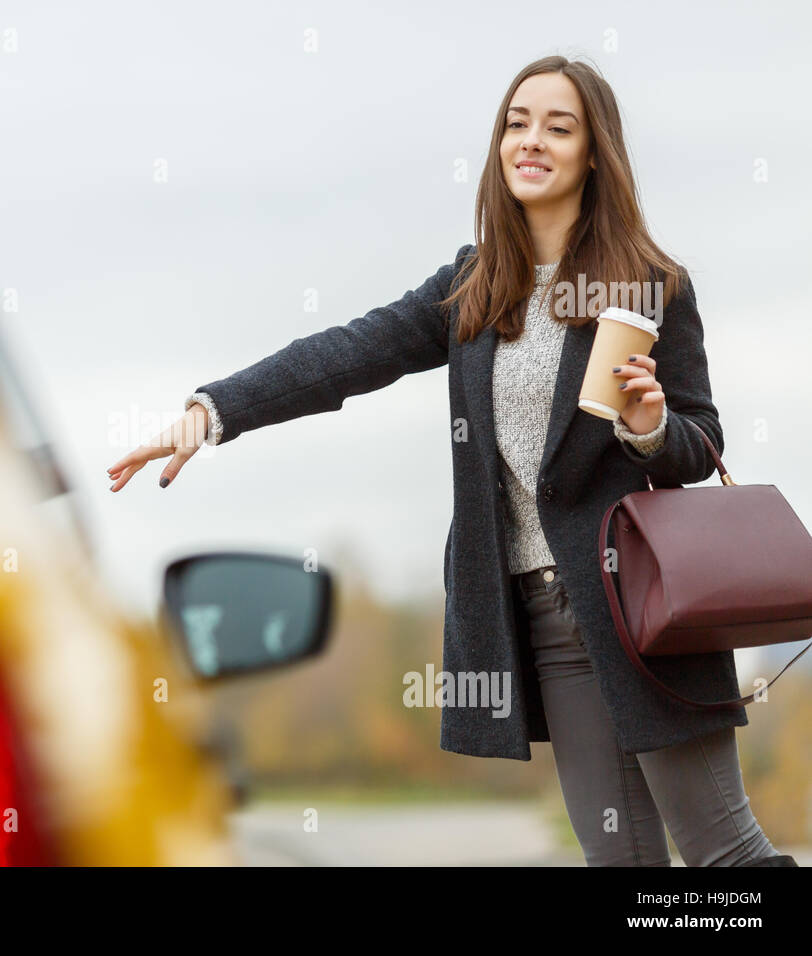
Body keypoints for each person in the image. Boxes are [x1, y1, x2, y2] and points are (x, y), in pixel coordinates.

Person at [105, 55, 798, 867]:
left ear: (593, 153)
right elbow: (346, 355)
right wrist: (212, 411)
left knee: (727, 858)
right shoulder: (476, 285)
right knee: (621, 864)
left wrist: (648, 427)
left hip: (640, 611)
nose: (530, 141)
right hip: (545, 621)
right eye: (516, 122)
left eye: (558, 127)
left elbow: (700, 441)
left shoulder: (646, 285)